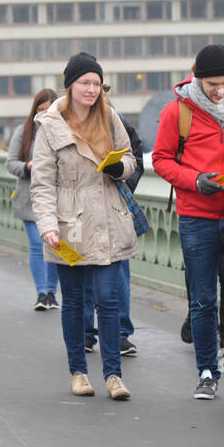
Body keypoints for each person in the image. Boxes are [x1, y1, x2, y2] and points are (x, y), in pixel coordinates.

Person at [152, 44, 224, 403]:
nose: (220, 90)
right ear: (197, 78)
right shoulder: (176, 112)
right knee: (203, 300)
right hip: (197, 218)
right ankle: (208, 371)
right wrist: (194, 180)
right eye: (212, 84)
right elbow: (160, 159)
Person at [30, 54, 136, 400]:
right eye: (85, 83)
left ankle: (113, 376)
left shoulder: (110, 117)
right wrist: (47, 225)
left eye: (96, 83)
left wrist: (118, 169)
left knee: (108, 300)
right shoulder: (50, 125)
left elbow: (130, 157)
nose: (92, 90)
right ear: (70, 85)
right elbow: (42, 182)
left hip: (107, 220)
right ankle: (78, 371)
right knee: (74, 301)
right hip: (67, 226)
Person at [81, 109, 144, 355]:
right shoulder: (61, 121)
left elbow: (134, 156)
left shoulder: (114, 120)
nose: (95, 91)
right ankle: (85, 332)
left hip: (112, 205)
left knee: (117, 274)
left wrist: (122, 179)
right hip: (78, 210)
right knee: (83, 272)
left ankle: (119, 333)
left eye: (102, 87)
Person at [6, 88, 62, 310]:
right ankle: (42, 293)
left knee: (56, 246)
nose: (45, 115)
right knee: (38, 245)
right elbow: (10, 162)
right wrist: (27, 167)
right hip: (29, 198)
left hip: (57, 198)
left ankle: (51, 291)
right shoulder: (24, 130)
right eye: (40, 111)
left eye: (49, 110)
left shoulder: (63, 130)